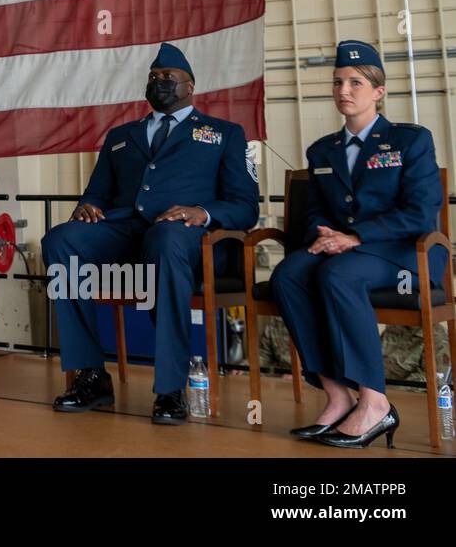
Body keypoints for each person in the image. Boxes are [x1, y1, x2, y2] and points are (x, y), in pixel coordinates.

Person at [43, 43, 259, 424]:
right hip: (125, 231)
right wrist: (87, 206)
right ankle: (91, 374)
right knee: (61, 240)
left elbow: (245, 206)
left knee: (166, 239)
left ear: (190, 86)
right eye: (154, 77)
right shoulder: (121, 136)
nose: (159, 83)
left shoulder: (224, 134)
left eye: (168, 78)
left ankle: (171, 387)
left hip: (185, 239)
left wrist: (202, 212)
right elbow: (97, 191)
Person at [271, 40, 444, 449]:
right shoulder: (322, 151)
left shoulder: (409, 142)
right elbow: (315, 212)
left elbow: (420, 214)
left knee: (338, 274)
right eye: (337, 82)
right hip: (346, 250)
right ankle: (337, 394)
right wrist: (325, 235)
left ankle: (375, 401)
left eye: (355, 82)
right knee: (288, 275)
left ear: (379, 92)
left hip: (405, 255)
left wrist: (356, 237)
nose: (344, 90)